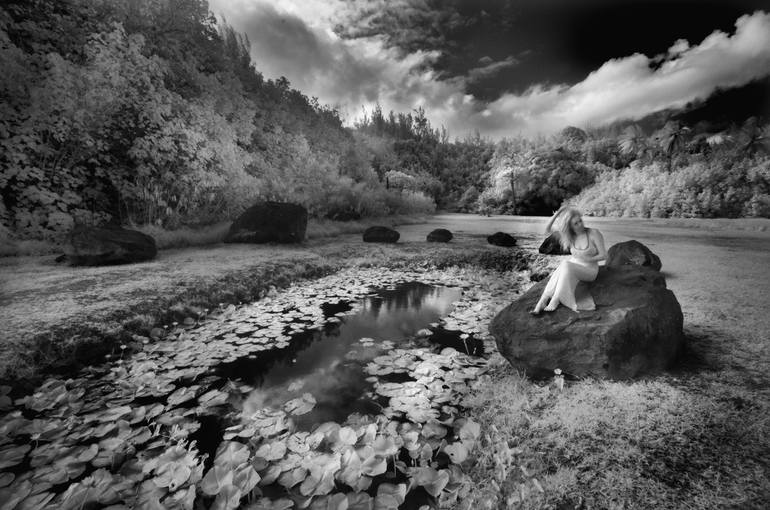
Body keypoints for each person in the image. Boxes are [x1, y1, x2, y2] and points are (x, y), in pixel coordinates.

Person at [531, 206, 607, 314]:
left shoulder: (594, 233)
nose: (580, 224)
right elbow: (547, 229)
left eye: (580, 221)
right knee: (563, 267)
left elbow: (604, 255)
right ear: (570, 227)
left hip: (590, 270)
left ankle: (555, 300)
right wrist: (558, 213)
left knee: (565, 264)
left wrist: (590, 258)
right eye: (576, 223)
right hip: (573, 267)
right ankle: (543, 300)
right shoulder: (569, 236)